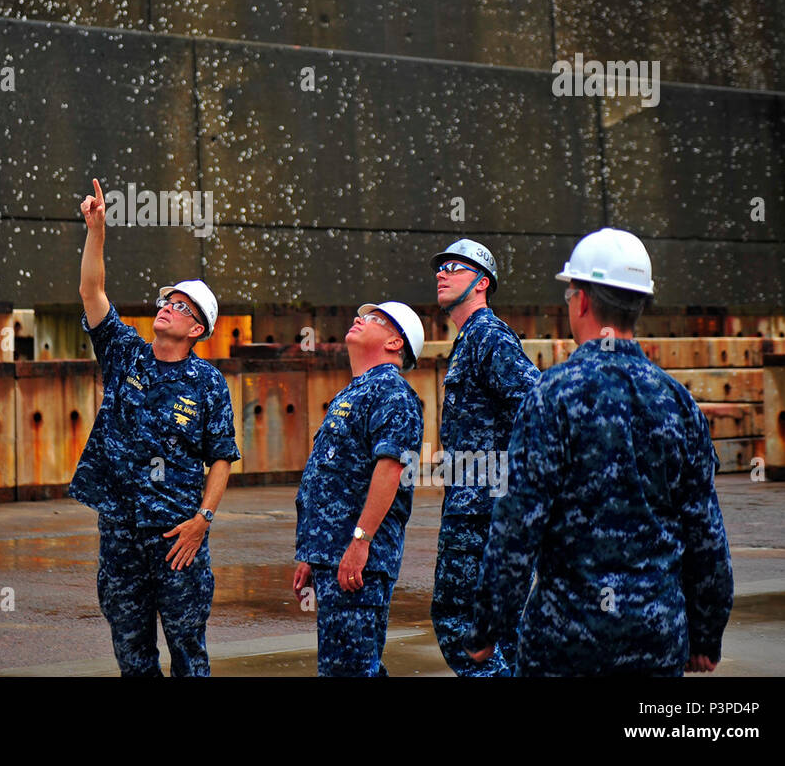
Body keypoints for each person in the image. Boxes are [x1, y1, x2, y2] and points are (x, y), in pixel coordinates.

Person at [466, 228, 733, 676]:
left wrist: (488, 627)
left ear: (583, 300)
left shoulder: (552, 396)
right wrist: (706, 633)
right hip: (656, 639)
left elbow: (516, 527)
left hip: (565, 642)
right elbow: (706, 533)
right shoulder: (677, 401)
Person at [69, 178, 240, 677]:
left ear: (196, 329)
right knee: (132, 656)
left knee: (189, 654)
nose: (167, 307)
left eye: (180, 306)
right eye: (167, 300)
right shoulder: (126, 354)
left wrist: (202, 521)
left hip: (177, 536)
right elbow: (91, 290)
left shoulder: (208, 383)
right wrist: (97, 230)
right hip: (120, 533)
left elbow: (222, 459)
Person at [292, 300, 425, 677]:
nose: (358, 319)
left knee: (351, 669)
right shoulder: (355, 391)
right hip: (332, 556)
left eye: (373, 319)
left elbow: (390, 469)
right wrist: (310, 553)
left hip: (359, 560)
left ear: (395, 342)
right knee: (345, 667)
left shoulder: (392, 393)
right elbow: (329, 478)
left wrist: (361, 540)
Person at [429, 239, 539, 676]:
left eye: (454, 267)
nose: (441, 273)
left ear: (481, 282)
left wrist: (513, 485)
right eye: (440, 267)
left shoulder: (488, 336)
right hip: (478, 504)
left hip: (483, 509)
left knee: (459, 618)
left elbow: (536, 405)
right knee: (503, 629)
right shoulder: (470, 339)